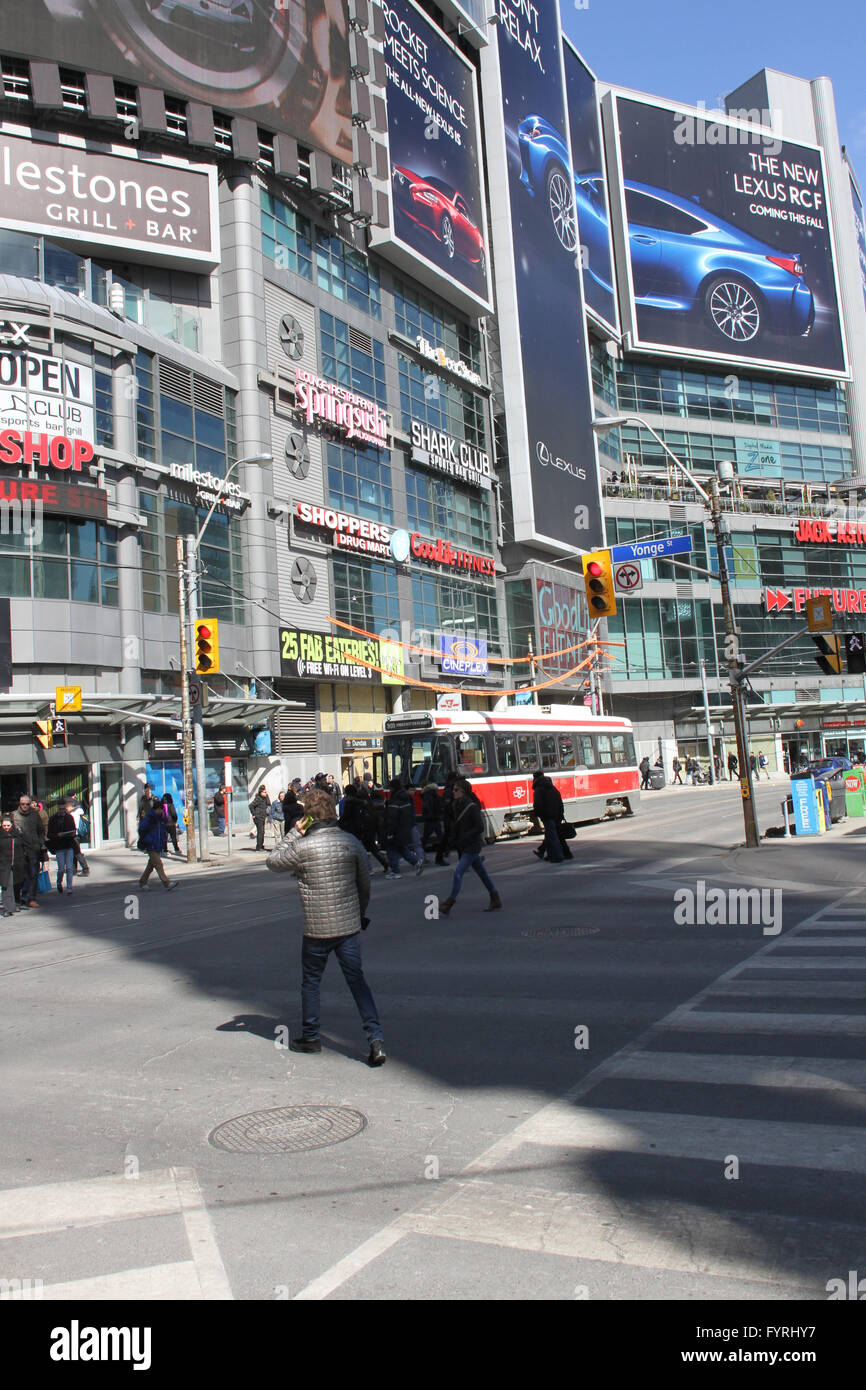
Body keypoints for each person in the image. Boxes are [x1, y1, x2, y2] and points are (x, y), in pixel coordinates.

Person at [266, 788, 385, 1066]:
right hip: (347, 926)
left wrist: (296, 832)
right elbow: (364, 885)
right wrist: (360, 913)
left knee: (311, 982)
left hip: (316, 929)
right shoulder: (351, 841)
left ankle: (311, 1036)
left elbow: (273, 861)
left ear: (308, 816)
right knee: (357, 982)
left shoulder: (304, 846)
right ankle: (375, 1039)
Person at [439, 778, 501, 916]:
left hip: (472, 845)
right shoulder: (456, 805)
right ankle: (495, 897)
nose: (453, 792)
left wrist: (465, 836)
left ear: (464, 792)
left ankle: (449, 903)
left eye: (456, 790)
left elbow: (479, 827)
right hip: (464, 844)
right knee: (482, 873)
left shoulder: (471, 807)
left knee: (458, 873)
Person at [383, 780, 424, 879]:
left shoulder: (394, 800)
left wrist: (390, 831)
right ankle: (417, 862)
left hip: (396, 829)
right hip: (404, 828)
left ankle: (395, 871)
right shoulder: (406, 798)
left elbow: (392, 817)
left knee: (391, 849)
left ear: (392, 788)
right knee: (401, 848)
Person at [531, 769, 571, 863]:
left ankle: (558, 856)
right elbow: (559, 801)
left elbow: (538, 804)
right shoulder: (552, 788)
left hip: (547, 816)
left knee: (552, 836)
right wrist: (561, 813)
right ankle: (559, 854)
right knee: (552, 834)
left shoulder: (538, 789)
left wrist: (538, 814)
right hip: (556, 815)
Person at [13, 794, 44, 909]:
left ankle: (31, 898)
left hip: (33, 849)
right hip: (19, 850)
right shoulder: (14, 815)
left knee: (33, 874)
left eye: (27, 804)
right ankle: (18, 898)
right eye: (22, 804)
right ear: (19, 804)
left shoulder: (35, 815)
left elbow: (41, 830)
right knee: (19, 876)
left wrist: (40, 843)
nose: (25, 806)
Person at [137, 803, 175, 891]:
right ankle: (167, 883)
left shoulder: (160, 819)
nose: (161, 811)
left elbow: (162, 832)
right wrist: (147, 840)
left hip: (157, 844)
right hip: (151, 845)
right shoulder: (150, 818)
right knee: (158, 864)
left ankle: (142, 882)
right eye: (160, 809)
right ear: (156, 809)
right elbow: (141, 829)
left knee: (150, 866)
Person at [46, 797, 78, 895]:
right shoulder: (53, 819)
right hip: (59, 846)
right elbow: (49, 834)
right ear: (58, 808)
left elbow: (73, 830)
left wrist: (72, 834)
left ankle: (69, 888)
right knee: (61, 869)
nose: (62, 811)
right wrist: (57, 835)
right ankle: (59, 882)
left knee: (69, 868)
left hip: (69, 845)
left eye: (64, 809)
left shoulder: (69, 817)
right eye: (61, 809)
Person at [0, 813, 25, 916]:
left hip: (16, 863)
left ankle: (13, 906)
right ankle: (7, 908)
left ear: (11, 825)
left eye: (8, 825)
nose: (6, 828)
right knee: (6, 885)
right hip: (3, 864)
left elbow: (23, 846)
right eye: (4, 826)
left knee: (16, 884)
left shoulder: (17, 834)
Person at [69, 798, 90, 876]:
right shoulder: (79, 811)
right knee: (74, 851)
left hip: (74, 833)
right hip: (76, 834)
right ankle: (74, 869)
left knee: (77, 852)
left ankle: (85, 868)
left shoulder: (73, 813)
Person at [420, 784, 444, 851]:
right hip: (434, 818)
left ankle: (421, 850)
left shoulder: (426, 796)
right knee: (439, 835)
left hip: (430, 818)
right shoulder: (433, 796)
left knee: (426, 836)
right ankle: (444, 850)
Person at [249, 785, 270, 851]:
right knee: (260, 832)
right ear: (261, 792)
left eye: (266, 792)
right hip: (258, 817)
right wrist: (254, 814)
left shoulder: (264, 798)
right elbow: (251, 805)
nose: (266, 793)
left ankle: (261, 845)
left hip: (262, 816)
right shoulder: (258, 798)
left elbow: (269, 803)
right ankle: (258, 847)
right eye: (264, 792)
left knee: (262, 832)